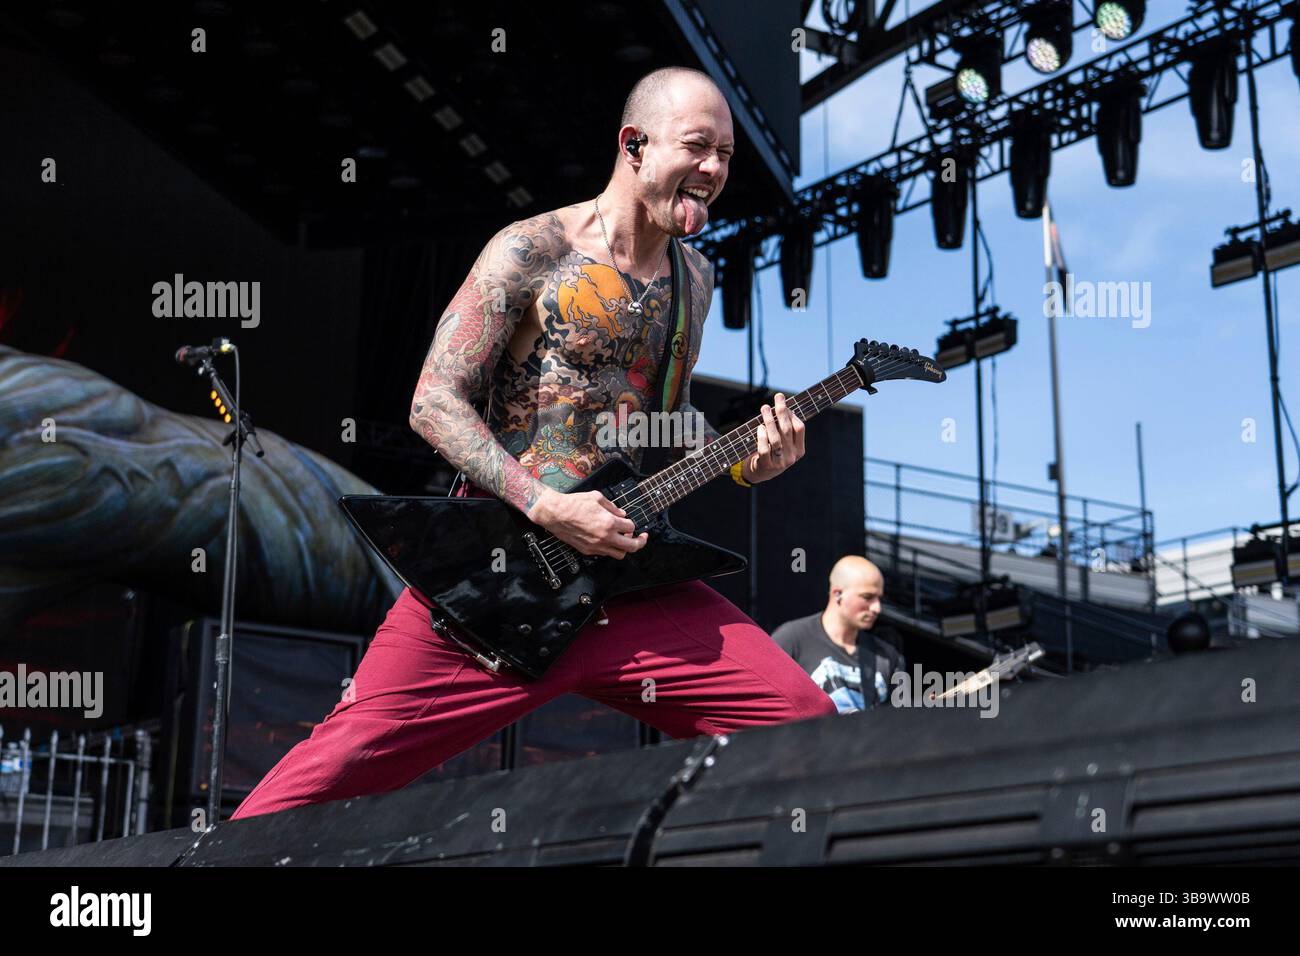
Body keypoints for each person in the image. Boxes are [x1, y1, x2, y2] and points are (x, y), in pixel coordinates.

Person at [231, 67, 836, 820]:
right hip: (495, 580)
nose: (715, 169)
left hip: (623, 584)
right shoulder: (531, 249)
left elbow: (669, 420)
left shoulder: (697, 280)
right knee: (325, 774)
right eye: (698, 146)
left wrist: (749, 459)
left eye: (727, 155)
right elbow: (432, 401)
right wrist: (547, 506)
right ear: (635, 145)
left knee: (804, 722)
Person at [771, 556, 906, 714]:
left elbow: (899, 726)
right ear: (837, 594)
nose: (877, 608)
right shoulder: (792, 638)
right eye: (867, 597)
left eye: (879, 598)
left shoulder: (887, 655)